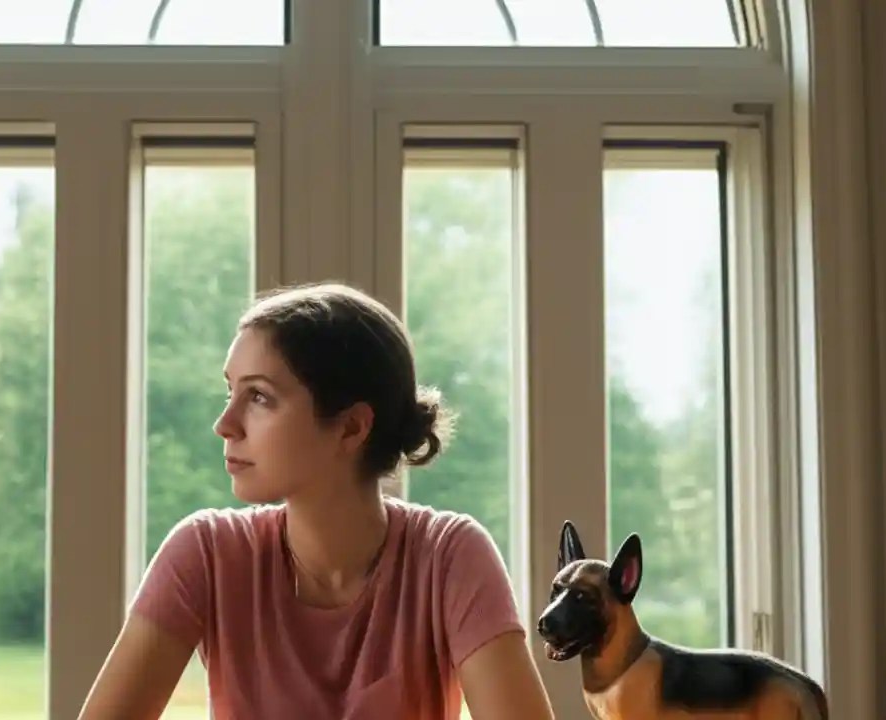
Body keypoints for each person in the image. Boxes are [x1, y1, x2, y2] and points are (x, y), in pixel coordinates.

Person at [78, 282, 555, 720]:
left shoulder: (450, 557)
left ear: (350, 427)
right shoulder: (206, 553)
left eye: (259, 397)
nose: (225, 424)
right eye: (230, 392)